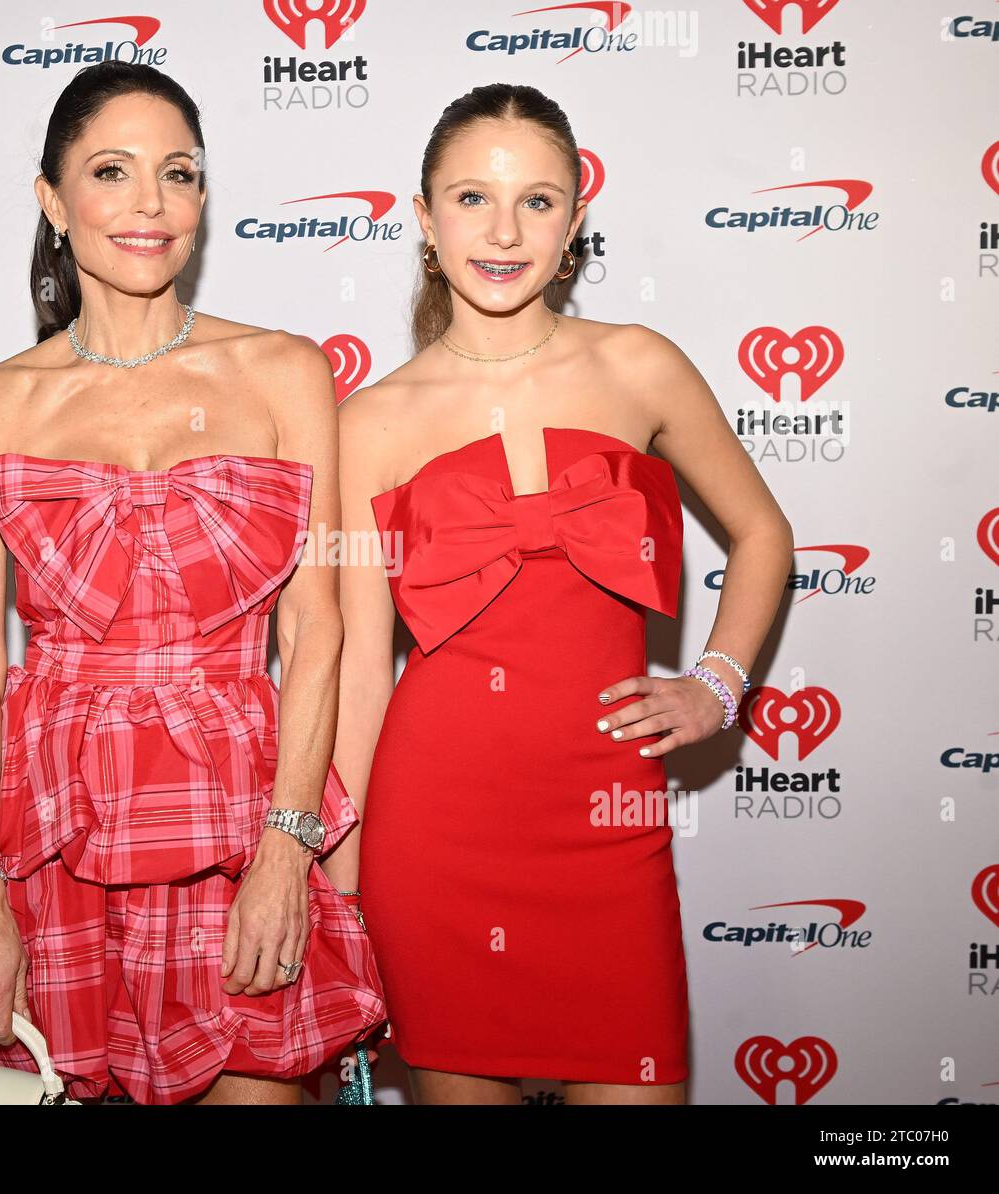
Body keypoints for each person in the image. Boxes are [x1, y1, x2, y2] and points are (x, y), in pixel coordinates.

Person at [0, 60, 386, 1106]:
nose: (151, 202)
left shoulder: (285, 371)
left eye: (179, 173)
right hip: (53, 824)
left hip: (237, 815)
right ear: (54, 200)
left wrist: (288, 850)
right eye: (112, 170)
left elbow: (314, 636)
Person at [331, 83, 793, 1106]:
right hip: (434, 836)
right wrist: (340, 887)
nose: (503, 232)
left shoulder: (639, 367)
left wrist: (716, 685)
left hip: (606, 821)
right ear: (421, 218)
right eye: (470, 199)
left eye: (537, 201)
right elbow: (363, 673)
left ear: (577, 220)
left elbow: (762, 532)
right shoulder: (368, 422)